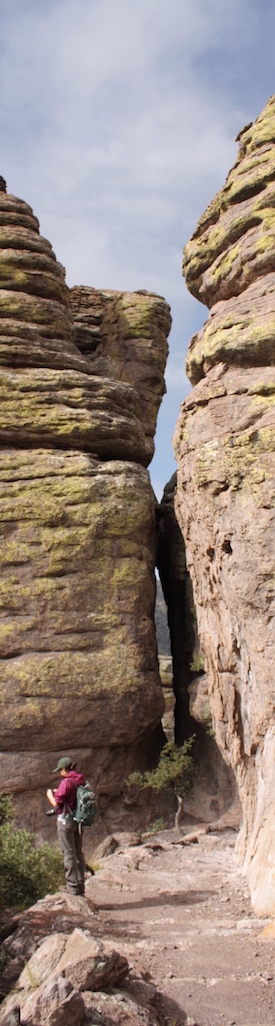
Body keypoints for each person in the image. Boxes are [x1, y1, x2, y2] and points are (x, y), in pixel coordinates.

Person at [46, 755, 86, 895]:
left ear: (64, 769)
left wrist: (50, 794)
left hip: (65, 821)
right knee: (78, 852)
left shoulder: (66, 782)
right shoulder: (80, 779)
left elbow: (56, 803)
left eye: (60, 770)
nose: (59, 773)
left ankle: (72, 886)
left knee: (68, 853)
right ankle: (80, 884)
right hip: (78, 820)